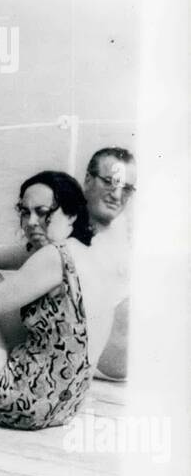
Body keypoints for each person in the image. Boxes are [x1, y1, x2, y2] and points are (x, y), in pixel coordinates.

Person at [0, 170, 125, 430]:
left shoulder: (53, 257)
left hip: (16, 405)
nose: (31, 221)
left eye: (43, 212)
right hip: (65, 406)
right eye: (25, 212)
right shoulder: (83, 249)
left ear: (72, 214)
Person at [83, 147, 136, 381]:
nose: (117, 195)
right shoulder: (67, 227)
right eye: (109, 182)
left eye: (126, 188)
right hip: (102, 357)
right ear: (88, 180)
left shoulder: (121, 224)